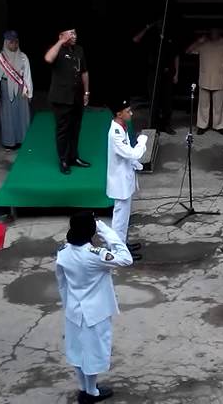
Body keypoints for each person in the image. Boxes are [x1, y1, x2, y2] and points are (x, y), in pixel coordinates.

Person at [56, 212, 135, 404]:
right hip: (95, 312)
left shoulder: (63, 252)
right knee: (93, 352)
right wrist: (108, 232)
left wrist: (68, 306)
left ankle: (83, 388)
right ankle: (91, 393)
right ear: (91, 231)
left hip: (74, 311)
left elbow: (62, 284)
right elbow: (126, 259)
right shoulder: (94, 256)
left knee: (77, 350)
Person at [106, 99, 148, 256]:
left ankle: (122, 243)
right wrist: (142, 142)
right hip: (120, 182)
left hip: (126, 178)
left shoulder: (122, 127)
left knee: (124, 217)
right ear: (119, 114)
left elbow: (128, 155)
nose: (131, 113)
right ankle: (118, 250)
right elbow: (132, 152)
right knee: (120, 218)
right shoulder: (116, 133)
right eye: (127, 111)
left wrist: (135, 164)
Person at [46, 25, 90, 174]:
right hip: (61, 98)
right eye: (71, 33)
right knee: (63, 130)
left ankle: (73, 157)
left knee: (75, 128)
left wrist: (86, 92)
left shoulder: (79, 50)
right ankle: (63, 160)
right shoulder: (56, 49)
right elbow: (48, 58)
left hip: (76, 97)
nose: (75, 35)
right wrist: (60, 42)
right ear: (62, 35)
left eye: (75, 32)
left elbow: (84, 72)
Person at [132, 20, 178, 134]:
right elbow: (135, 39)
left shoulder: (170, 36)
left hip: (167, 72)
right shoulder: (151, 35)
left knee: (167, 101)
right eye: (159, 23)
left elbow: (176, 55)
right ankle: (154, 126)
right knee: (154, 100)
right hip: (153, 72)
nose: (161, 25)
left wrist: (176, 73)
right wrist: (147, 27)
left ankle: (166, 125)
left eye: (163, 23)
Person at [0, 30, 33, 150]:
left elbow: (27, 76)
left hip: (21, 89)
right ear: (6, 43)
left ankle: (23, 140)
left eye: (15, 42)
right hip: (6, 89)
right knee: (7, 116)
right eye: (11, 42)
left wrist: (29, 92)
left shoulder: (23, 57)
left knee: (22, 114)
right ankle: (9, 142)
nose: (14, 45)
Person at [187, 28, 223, 134]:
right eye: (212, 30)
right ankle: (202, 125)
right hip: (204, 77)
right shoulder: (203, 42)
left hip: (219, 77)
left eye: (215, 30)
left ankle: (220, 126)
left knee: (219, 104)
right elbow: (188, 51)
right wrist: (198, 42)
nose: (214, 32)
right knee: (203, 104)